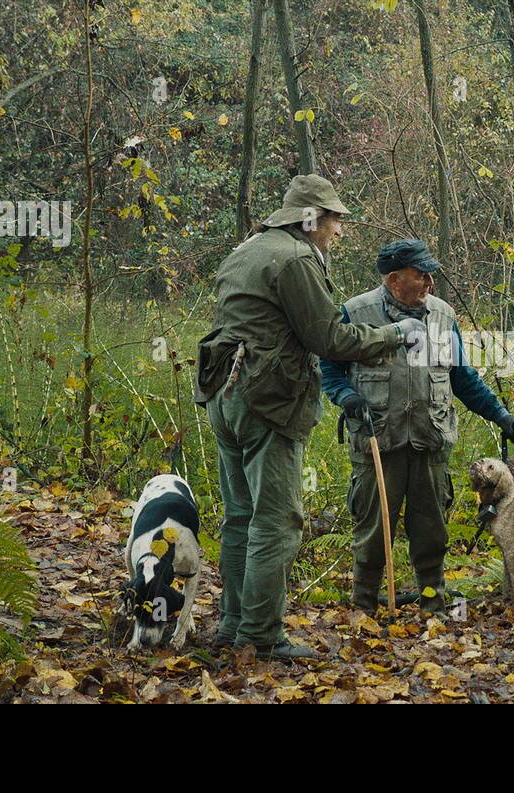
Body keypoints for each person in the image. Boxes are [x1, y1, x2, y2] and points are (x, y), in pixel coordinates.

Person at [193, 175, 426, 660]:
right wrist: (395, 334)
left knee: (240, 517)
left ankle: (233, 625)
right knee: (277, 521)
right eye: (335, 220)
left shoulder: (248, 248)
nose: (339, 231)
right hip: (267, 400)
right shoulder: (296, 258)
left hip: (224, 394)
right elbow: (331, 340)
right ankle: (259, 637)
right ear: (310, 220)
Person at [321, 239, 514, 613]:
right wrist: (346, 397)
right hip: (377, 442)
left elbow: (462, 378)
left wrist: (499, 415)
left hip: (430, 442)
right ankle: (364, 608)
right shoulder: (356, 313)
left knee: (431, 532)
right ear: (395, 279)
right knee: (372, 532)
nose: (431, 282)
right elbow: (330, 369)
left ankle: (433, 606)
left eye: (431, 274)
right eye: (421, 275)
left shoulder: (443, 316)